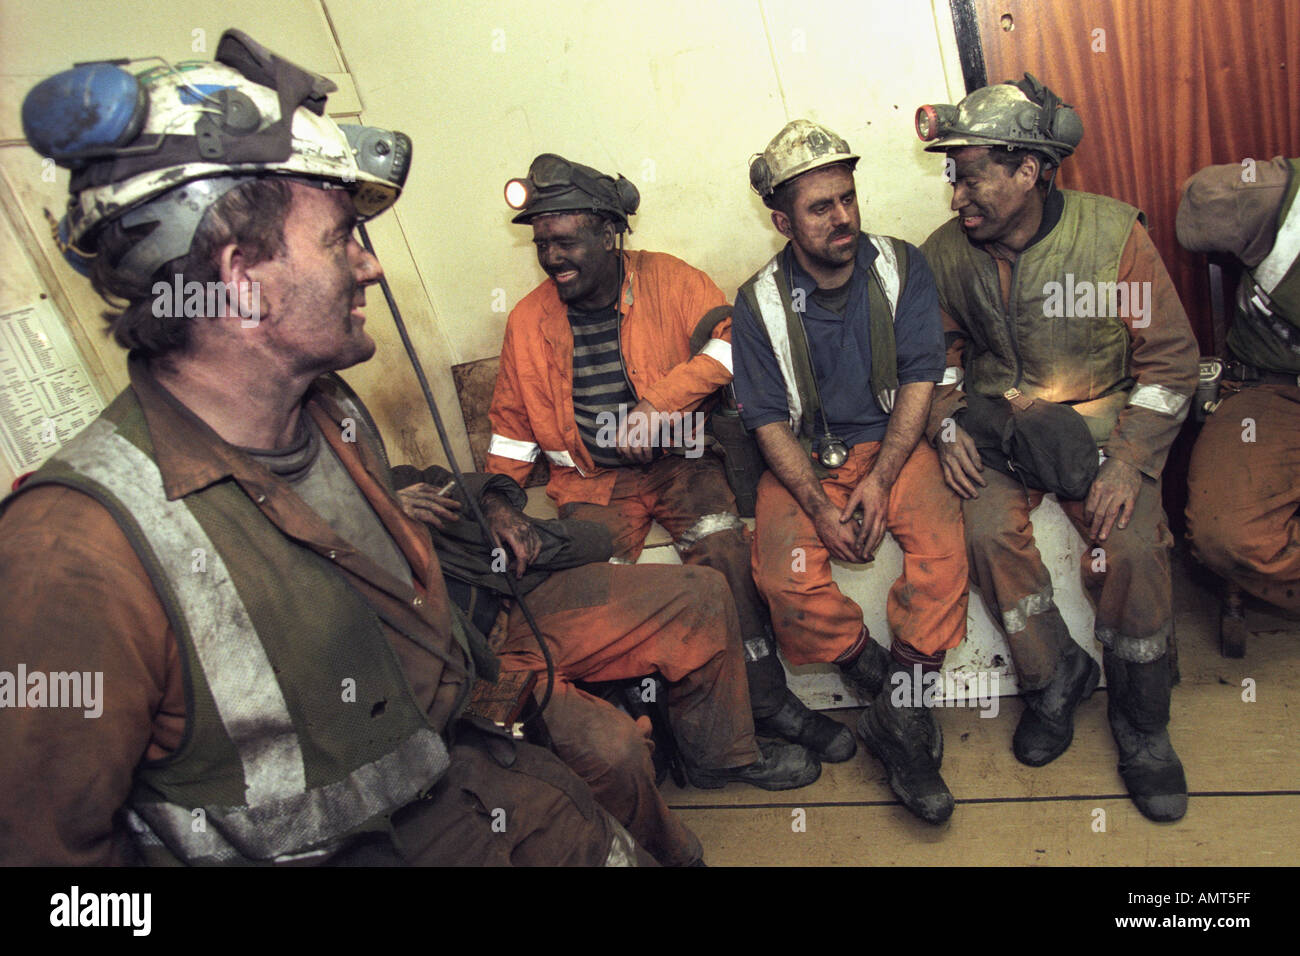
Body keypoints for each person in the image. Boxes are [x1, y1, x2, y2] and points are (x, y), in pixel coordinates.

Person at [0, 32, 649, 866]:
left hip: (478, 791)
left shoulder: (332, 416)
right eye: (341, 237)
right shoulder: (71, 553)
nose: (369, 267)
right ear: (240, 277)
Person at [488, 153, 853, 768]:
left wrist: (659, 405)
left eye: (567, 242)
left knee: (725, 554)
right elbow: (511, 430)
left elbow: (740, 347)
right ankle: (648, 730)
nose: (553, 258)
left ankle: (767, 704)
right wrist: (498, 496)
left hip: (682, 460)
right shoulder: (529, 320)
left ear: (610, 234)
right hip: (591, 483)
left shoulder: (671, 281)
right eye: (543, 244)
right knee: (591, 590)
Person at [916, 74, 1199, 821]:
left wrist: (1132, 460)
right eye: (954, 178)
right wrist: (946, 423)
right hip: (999, 431)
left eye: (972, 179)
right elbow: (930, 360)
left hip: (1104, 429)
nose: (957, 198)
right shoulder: (945, 256)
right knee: (981, 531)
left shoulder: (1112, 238)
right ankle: (1054, 679)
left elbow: (1170, 365)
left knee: (1131, 550)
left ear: (1029, 172)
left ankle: (1141, 723)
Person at [394, 463, 811, 867]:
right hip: (465, 671)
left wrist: (495, 508)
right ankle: (665, 853)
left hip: (516, 595)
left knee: (700, 594)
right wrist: (370, 523)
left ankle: (719, 754)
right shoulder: (338, 544)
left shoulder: (365, 477)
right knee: (613, 750)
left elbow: (439, 480)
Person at [731, 120, 970, 825]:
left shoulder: (901, 266)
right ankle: (894, 694)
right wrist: (818, 500)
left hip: (893, 445)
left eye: (847, 198)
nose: (842, 217)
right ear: (782, 220)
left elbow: (924, 375)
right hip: (807, 459)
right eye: (819, 207)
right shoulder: (759, 302)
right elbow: (767, 419)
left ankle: (896, 725)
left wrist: (882, 475)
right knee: (781, 575)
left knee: (944, 550)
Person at [1177, 156, 1300, 616]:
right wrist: (1265, 201)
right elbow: (1199, 205)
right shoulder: (1277, 199)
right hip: (1270, 391)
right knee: (1226, 537)